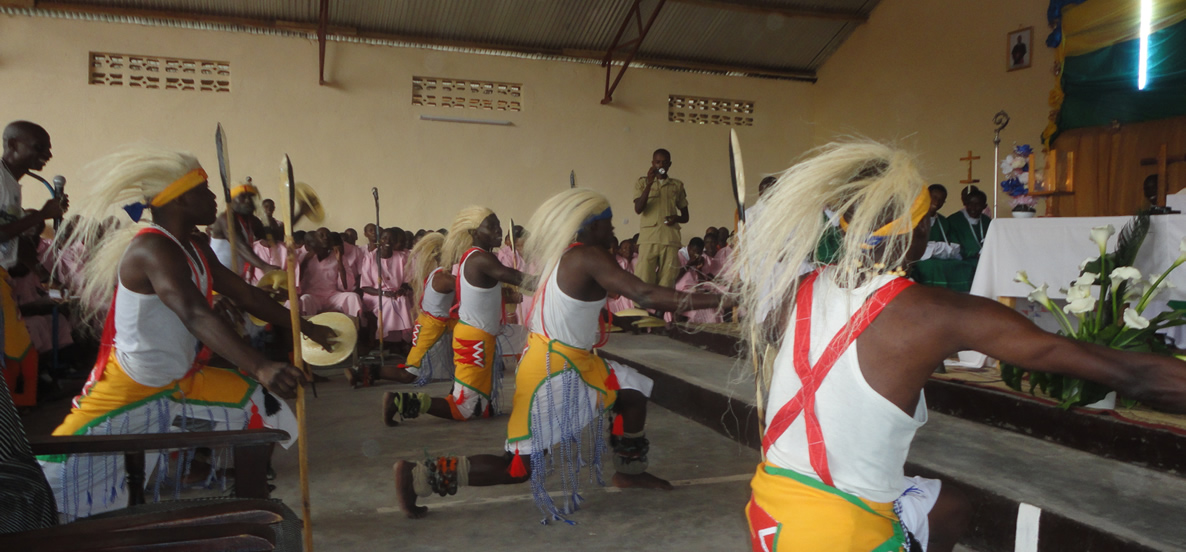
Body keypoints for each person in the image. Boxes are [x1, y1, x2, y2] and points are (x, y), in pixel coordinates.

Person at [728, 140, 1186, 552]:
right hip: (845, 537)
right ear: (920, 230)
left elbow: (770, 326)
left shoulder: (797, 291)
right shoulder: (939, 315)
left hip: (770, 514)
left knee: (945, 506)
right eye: (927, 219)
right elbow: (1134, 374)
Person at [393, 189, 731, 522]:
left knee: (632, 393)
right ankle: (419, 476)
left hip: (576, 362)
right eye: (607, 224)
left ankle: (629, 471)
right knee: (516, 467)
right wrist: (721, 300)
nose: (612, 231)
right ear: (588, 226)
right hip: (552, 371)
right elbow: (643, 294)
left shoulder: (571, 255)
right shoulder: (587, 257)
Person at [37, 146, 335, 520]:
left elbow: (244, 294)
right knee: (55, 480)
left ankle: (252, 510)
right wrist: (261, 366)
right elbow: (195, 313)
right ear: (179, 197)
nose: (214, 198)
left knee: (262, 407)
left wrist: (305, 327)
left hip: (181, 381)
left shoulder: (194, 246)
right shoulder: (152, 248)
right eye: (205, 190)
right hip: (132, 386)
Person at [383, 206, 530, 425]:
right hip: (474, 339)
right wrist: (553, 279)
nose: (499, 231)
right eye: (492, 227)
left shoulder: (477, 257)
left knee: (479, 404)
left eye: (499, 225)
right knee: (463, 408)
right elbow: (516, 277)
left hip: (476, 336)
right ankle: (400, 401)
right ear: (473, 233)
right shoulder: (481, 259)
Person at [1, 121, 69, 406]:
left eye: (49, 148)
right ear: (13, 145)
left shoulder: (11, 184)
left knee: (17, 351)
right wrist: (40, 213)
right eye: (39, 147)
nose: (47, 154)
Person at [633, 148, 688, 288]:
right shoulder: (642, 183)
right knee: (644, 278)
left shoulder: (677, 185)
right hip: (649, 239)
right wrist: (650, 183)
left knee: (667, 280)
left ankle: (661, 310)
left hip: (670, 238)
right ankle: (641, 309)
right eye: (657, 162)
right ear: (652, 163)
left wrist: (676, 218)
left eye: (664, 162)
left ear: (669, 164)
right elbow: (638, 209)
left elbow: (686, 216)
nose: (661, 166)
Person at [911, 184, 977, 292]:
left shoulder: (943, 221)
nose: (937, 203)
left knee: (961, 266)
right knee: (932, 267)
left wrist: (945, 249)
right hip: (919, 258)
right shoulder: (913, 218)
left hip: (939, 258)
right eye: (934, 198)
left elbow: (953, 244)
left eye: (941, 200)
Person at [359, 228, 414, 351]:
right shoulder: (370, 258)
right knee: (388, 303)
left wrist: (402, 290)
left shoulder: (401, 257)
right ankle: (384, 339)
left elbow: (406, 282)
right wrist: (383, 293)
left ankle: (402, 339)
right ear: (379, 240)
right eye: (384, 238)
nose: (387, 241)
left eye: (391, 239)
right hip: (374, 295)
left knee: (403, 300)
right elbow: (365, 286)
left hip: (395, 293)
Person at [209, 181, 277, 278]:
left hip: (236, 277)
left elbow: (272, 239)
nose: (248, 201)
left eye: (251, 197)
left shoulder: (253, 221)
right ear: (231, 200)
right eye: (243, 197)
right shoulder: (226, 218)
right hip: (218, 280)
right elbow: (239, 245)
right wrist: (264, 266)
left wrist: (299, 213)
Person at [298, 227, 363, 318]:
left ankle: (352, 329)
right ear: (315, 240)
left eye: (328, 235)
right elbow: (297, 280)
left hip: (332, 295)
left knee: (353, 297)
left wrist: (339, 261)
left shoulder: (338, 256)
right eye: (321, 235)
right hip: (313, 296)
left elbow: (346, 286)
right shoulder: (305, 256)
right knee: (305, 299)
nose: (325, 238)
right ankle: (309, 329)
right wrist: (305, 261)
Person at [948, 188, 991, 260]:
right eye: (970, 204)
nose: (973, 208)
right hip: (962, 261)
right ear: (965, 204)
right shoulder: (953, 220)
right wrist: (973, 254)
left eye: (977, 204)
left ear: (984, 206)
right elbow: (953, 245)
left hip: (985, 259)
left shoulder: (987, 221)